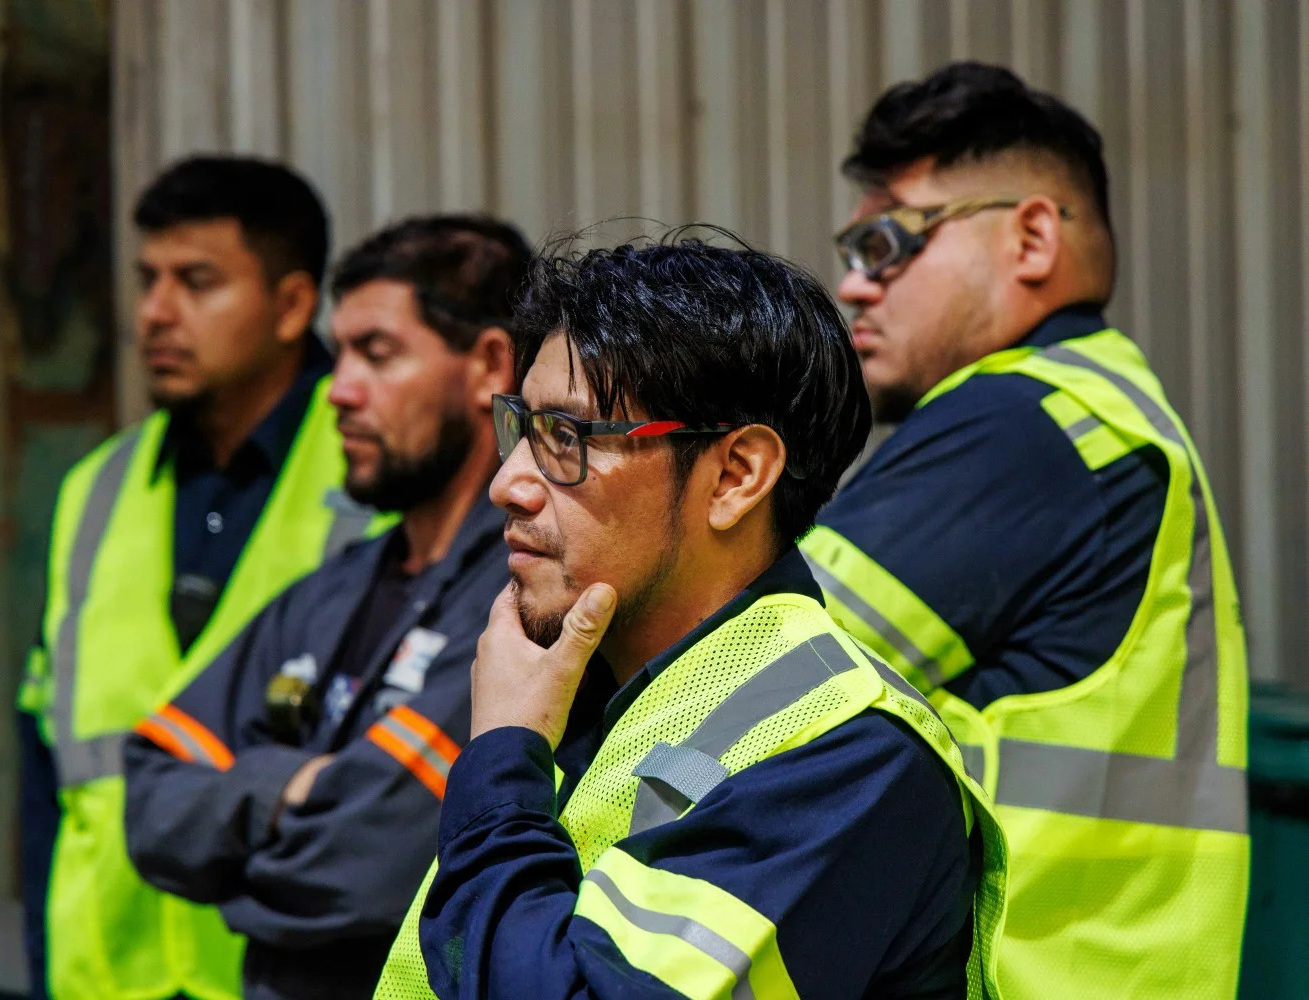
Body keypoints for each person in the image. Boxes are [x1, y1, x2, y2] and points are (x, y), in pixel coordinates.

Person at [374, 232, 1008, 1000]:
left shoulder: (846, 756)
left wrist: (504, 766)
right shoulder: (585, 693)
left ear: (736, 476)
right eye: (521, 428)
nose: (508, 484)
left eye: (568, 437)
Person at [802, 62, 1250, 999]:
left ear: (1033, 237)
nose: (853, 284)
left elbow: (752, 671)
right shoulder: (1107, 413)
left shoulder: (1024, 426)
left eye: (887, 240)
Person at [123, 215, 532, 1000]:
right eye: (339, 353)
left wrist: (243, 838)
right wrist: (293, 784)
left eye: (377, 355)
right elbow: (150, 801)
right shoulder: (332, 590)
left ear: (487, 364)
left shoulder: (519, 595)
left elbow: (369, 868)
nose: (338, 391)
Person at [16, 156, 378, 1000]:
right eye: (147, 281)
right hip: (102, 975)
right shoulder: (96, 488)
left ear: (292, 306)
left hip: (287, 974)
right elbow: (46, 769)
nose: (155, 313)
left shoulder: (378, 479)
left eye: (197, 282)